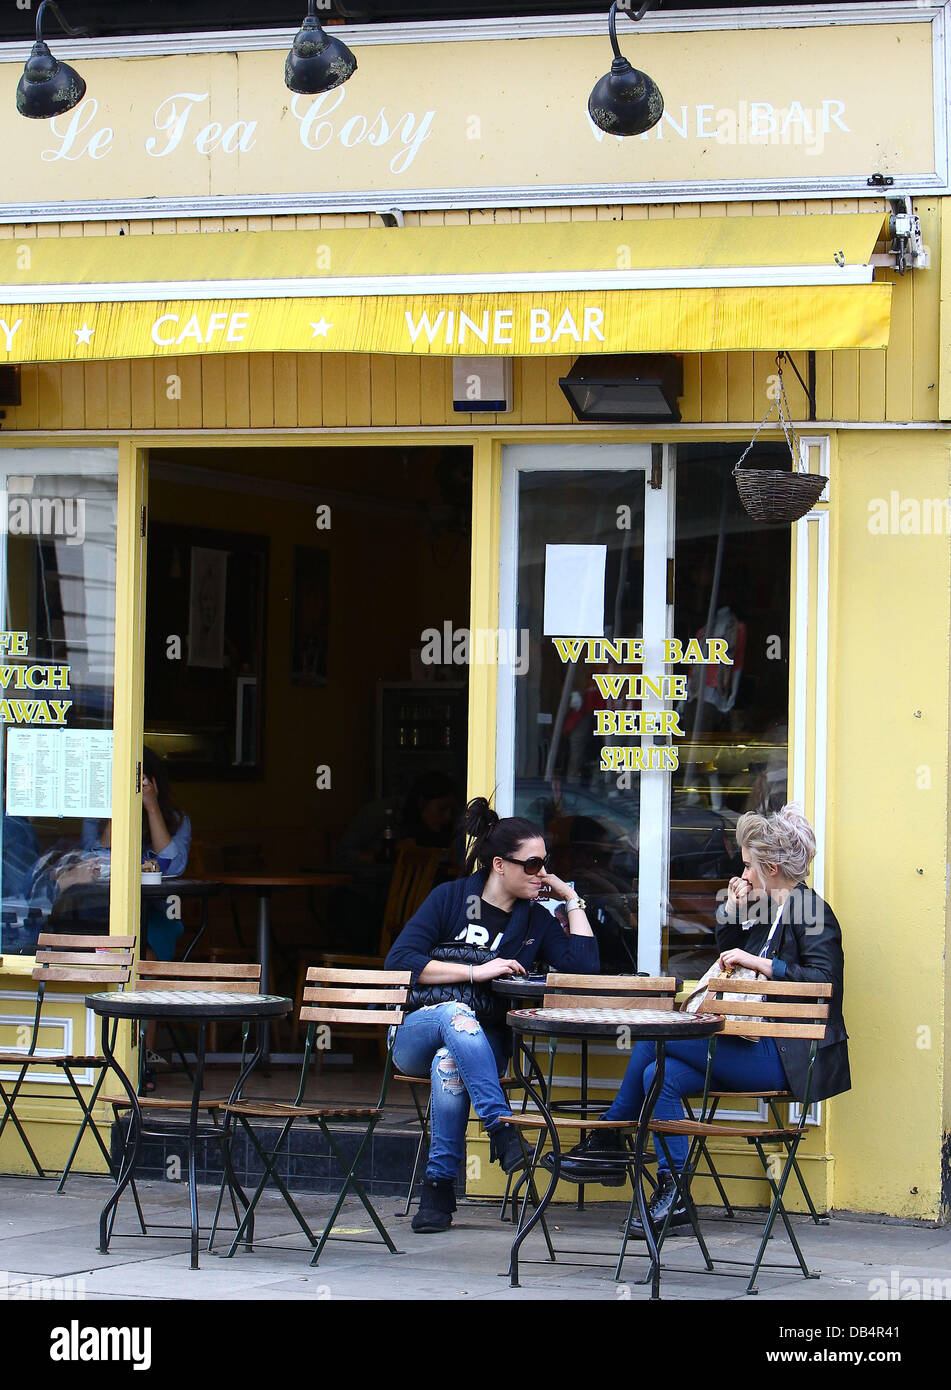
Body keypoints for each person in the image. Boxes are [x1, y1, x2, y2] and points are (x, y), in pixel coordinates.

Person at [556, 804, 849, 1237]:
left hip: (787, 1055)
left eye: (748, 865)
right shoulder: (770, 911)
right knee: (659, 1073)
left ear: (769, 867)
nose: (742, 873)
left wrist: (765, 966)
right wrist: (733, 910)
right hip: (750, 1044)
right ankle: (674, 1194)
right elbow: (729, 952)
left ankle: (609, 1134)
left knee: (653, 1035)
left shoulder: (813, 913)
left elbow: (827, 984)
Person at [384, 796, 600, 1234]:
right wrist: (476, 970)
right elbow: (400, 961)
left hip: (483, 1044)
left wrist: (571, 899)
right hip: (416, 1032)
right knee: (455, 1012)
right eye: (533, 864)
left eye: (546, 864)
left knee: (450, 1064)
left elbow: (584, 970)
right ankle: (501, 1126)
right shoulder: (451, 898)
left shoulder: (534, 920)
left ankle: (438, 1187)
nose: (542, 874)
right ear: (500, 864)